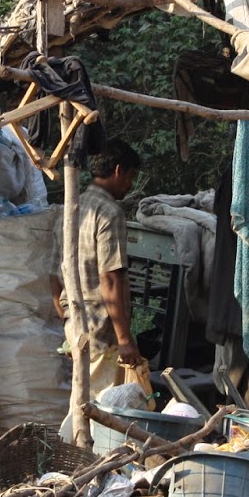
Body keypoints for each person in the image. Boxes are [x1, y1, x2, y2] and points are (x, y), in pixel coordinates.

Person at [50, 141, 144, 402]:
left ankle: (73, 442)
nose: (130, 185)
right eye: (130, 177)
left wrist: (65, 320)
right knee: (101, 407)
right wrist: (124, 339)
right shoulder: (109, 213)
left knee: (80, 399)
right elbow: (111, 278)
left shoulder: (70, 209)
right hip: (100, 330)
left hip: (75, 325)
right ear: (118, 170)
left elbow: (53, 274)